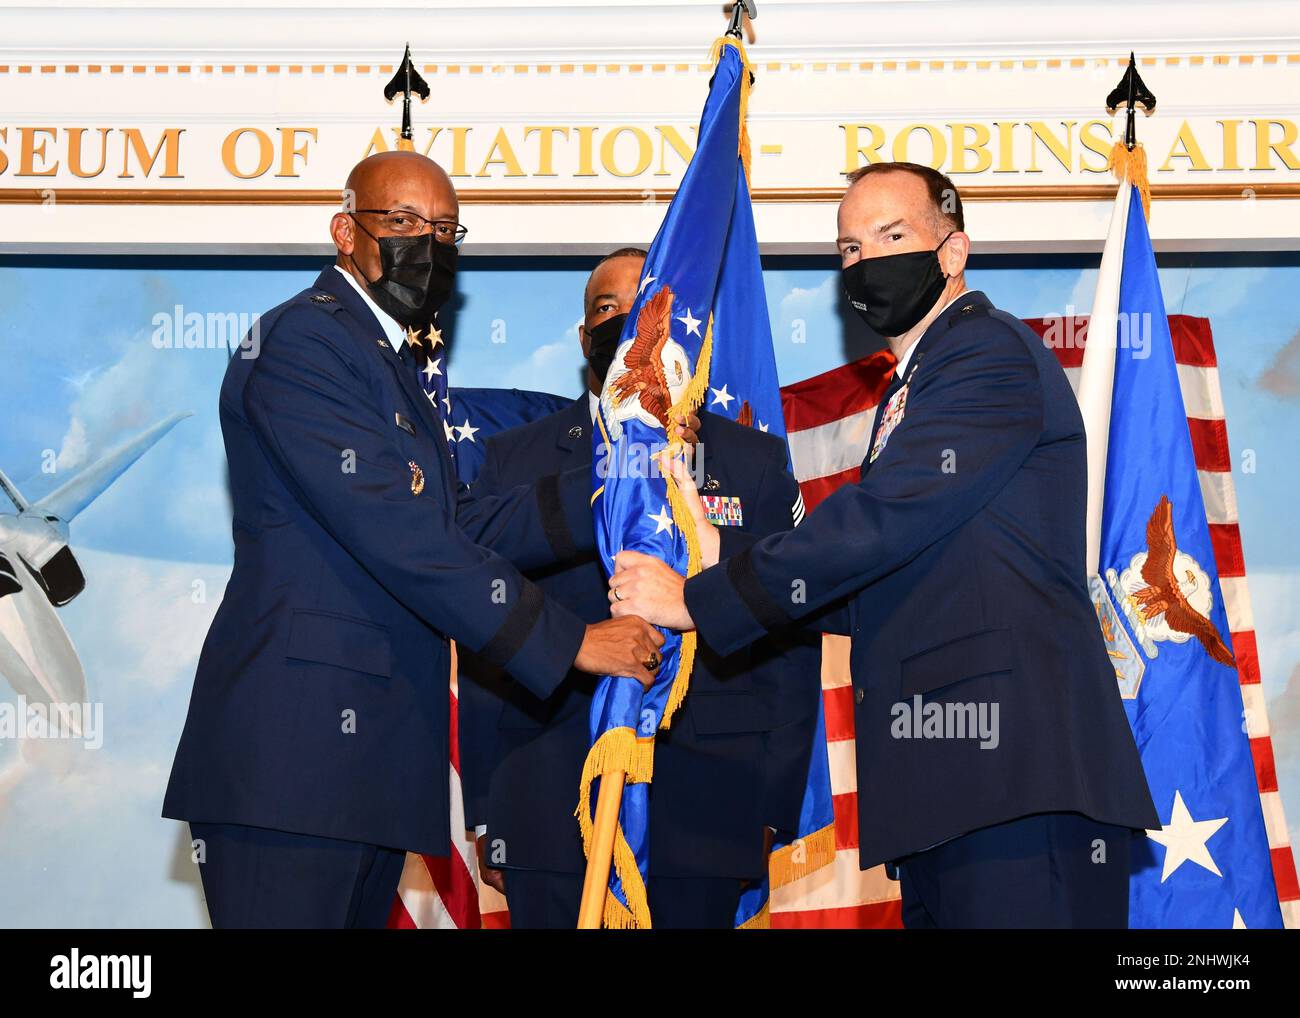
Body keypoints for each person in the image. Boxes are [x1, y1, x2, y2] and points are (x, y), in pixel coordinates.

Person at [608, 161, 1161, 929]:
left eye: (891, 235)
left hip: (1017, 782)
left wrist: (701, 599)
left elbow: (882, 521)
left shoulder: (986, 356)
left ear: (954, 251)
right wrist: (725, 568)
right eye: (848, 249)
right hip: (952, 793)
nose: (866, 261)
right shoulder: (917, 381)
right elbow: (887, 578)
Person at [162, 152, 662, 929]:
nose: (423, 243)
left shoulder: (390, 366)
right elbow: (397, 533)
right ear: (345, 232)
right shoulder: (302, 344)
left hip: (367, 765)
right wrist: (570, 643)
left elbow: (453, 523)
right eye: (400, 222)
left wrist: (614, 484)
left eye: (443, 229)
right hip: (294, 759)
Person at [458, 248, 822, 928]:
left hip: (710, 804)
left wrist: (772, 806)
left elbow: (788, 643)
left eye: (645, 307)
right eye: (606, 309)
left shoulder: (753, 462)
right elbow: (486, 635)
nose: (627, 323)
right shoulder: (516, 459)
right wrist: (486, 805)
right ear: (581, 336)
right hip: (545, 803)